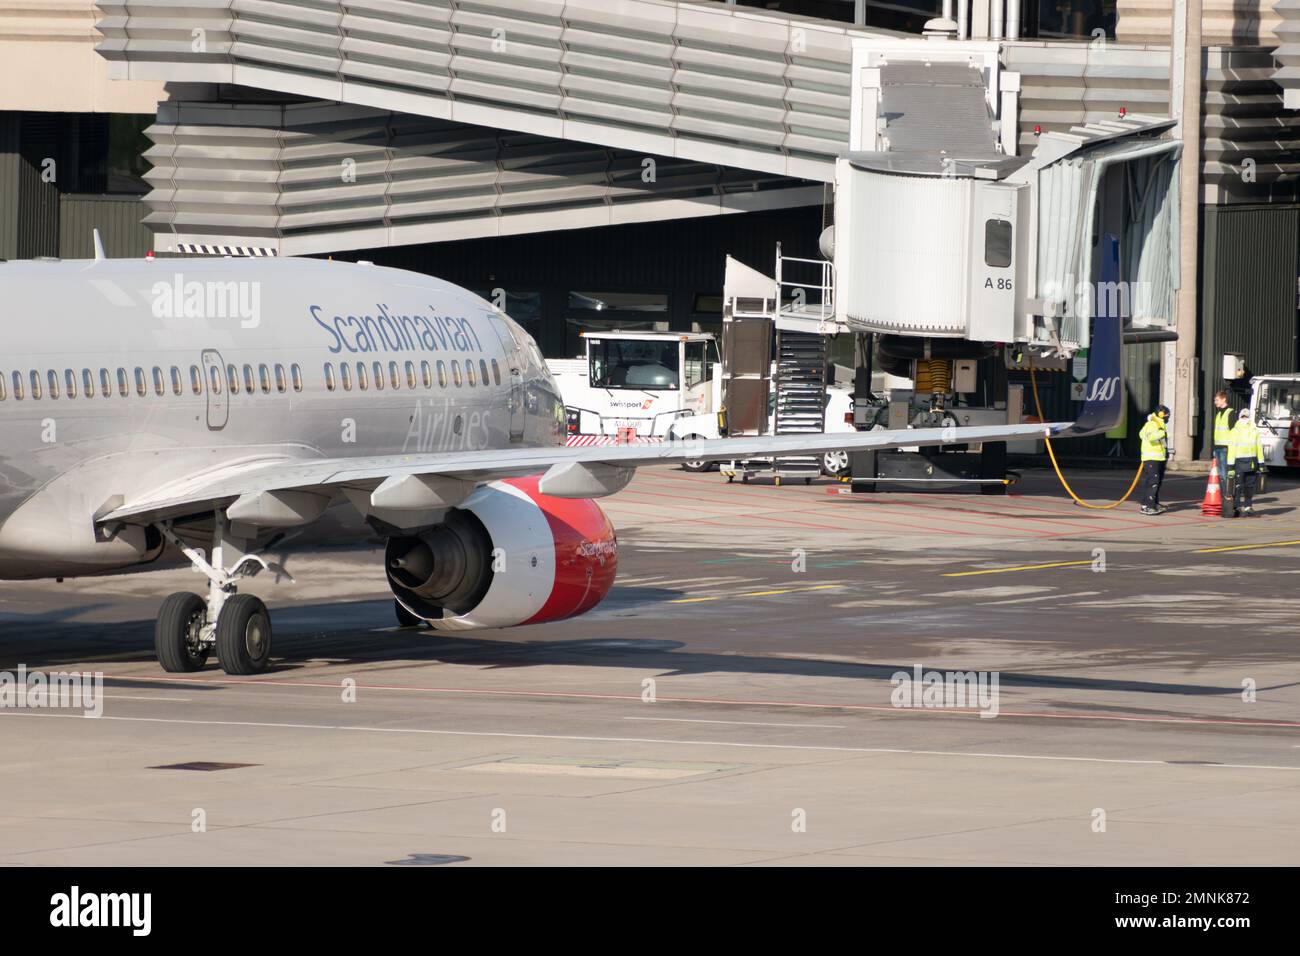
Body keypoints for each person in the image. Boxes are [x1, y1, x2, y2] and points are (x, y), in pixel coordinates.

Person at [1227, 408, 1266, 516]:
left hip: (1252, 462)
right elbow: (1232, 449)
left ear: (1249, 418)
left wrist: (1261, 463)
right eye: (1243, 417)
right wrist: (1230, 466)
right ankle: (1237, 507)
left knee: (1250, 486)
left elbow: (1259, 447)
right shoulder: (1235, 431)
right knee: (1239, 486)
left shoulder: (1254, 430)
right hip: (1239, 461)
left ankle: (1248, 506)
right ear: (1240, 417)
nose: (1245, 419)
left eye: (1246, 417)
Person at [1138, 404, 1171, 515]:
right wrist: (1161, 433)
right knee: (1152, 482)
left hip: (1159, 458)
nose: (1168, 418)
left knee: (1156, 482)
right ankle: (1147, 506)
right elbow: (1150, 437)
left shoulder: (1158, 423)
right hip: (1152, 458)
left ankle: (1154, 503)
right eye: (1167, 415)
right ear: (1161, 414)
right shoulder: (1153, 424)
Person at [1211, 390, 1236, 482]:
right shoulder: (1218, 414)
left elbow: (1234, 432)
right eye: (1215, 400)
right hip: (1218, 447)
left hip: (1225, 447)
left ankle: (1227, 494)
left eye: (1217, 400)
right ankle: (1224, 493)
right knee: (1221, 473)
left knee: (1224, 473)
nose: (1215, 402)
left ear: (1224, 399)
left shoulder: (1231, 413)